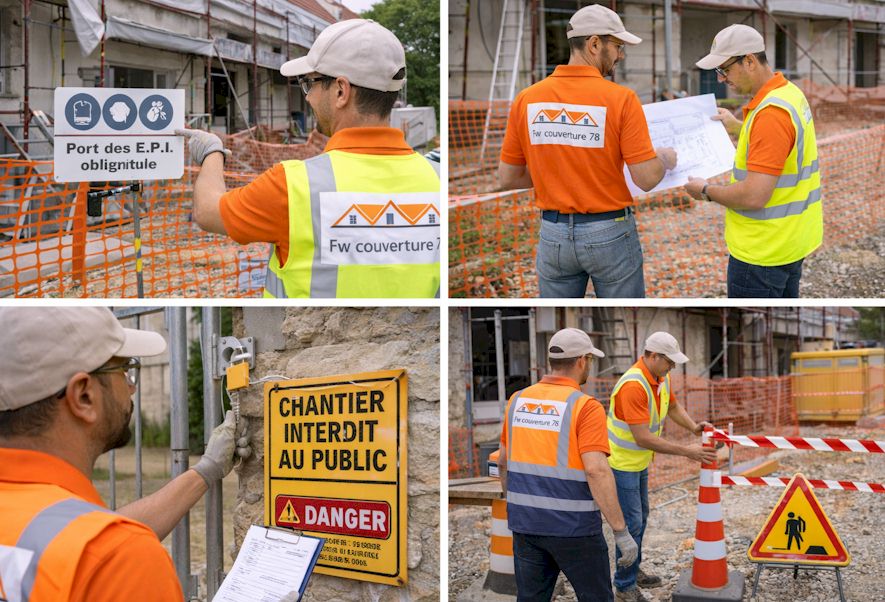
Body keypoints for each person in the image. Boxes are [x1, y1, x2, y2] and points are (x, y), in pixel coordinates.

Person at [178, 19, 440, 298]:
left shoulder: (293, 186)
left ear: (341, 91)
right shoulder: (436, 179)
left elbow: (208, 211)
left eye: (309, 83)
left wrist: (212, 152)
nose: (308, 97)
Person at [0, 307, 249, 601]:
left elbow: (76, 537)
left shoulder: (73, 538)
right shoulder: (123, 562)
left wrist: (205, 471)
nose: (130, 388)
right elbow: (102, 552)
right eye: (124, 371)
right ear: (84, 396)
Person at [498, 4, 677, 299]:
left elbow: (507, 177)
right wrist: (665, 159)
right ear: (595, 44)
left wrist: (553, 174)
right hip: (609, 232)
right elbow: (645, 177)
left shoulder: (527, 99)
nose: (620, 54)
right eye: (617, 46)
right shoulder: (620, 99)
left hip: (552, 235)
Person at [498, 327, 639, 601]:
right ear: (582, 361)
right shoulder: (585, 406)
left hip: (526, 525)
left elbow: (503, 462)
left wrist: (516, 507)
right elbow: (596, 470)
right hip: (573, 529)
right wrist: (621, 531)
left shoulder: (517, 400)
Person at [685, 24, 822, 298]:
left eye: (724, 70)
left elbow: (754, 196)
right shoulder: (788, 94)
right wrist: (737, 127)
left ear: (749, 61)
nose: (722, 79)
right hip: (790, 242)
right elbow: (782, 147)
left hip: (762, 253)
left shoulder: (771, 114)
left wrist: (705, 191)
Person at [606, 332, 718, 602]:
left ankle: (632, 568)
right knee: (631, 523)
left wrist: (693, 427)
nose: (672, 367)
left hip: (639, 461)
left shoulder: (659, 378)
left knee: (641, 518)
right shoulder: (634, 385)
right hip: (621, 464)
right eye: (669, 362)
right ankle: (624, 584)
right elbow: (642, 437)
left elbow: (673, 407)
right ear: (653, 356)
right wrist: (687, 452)